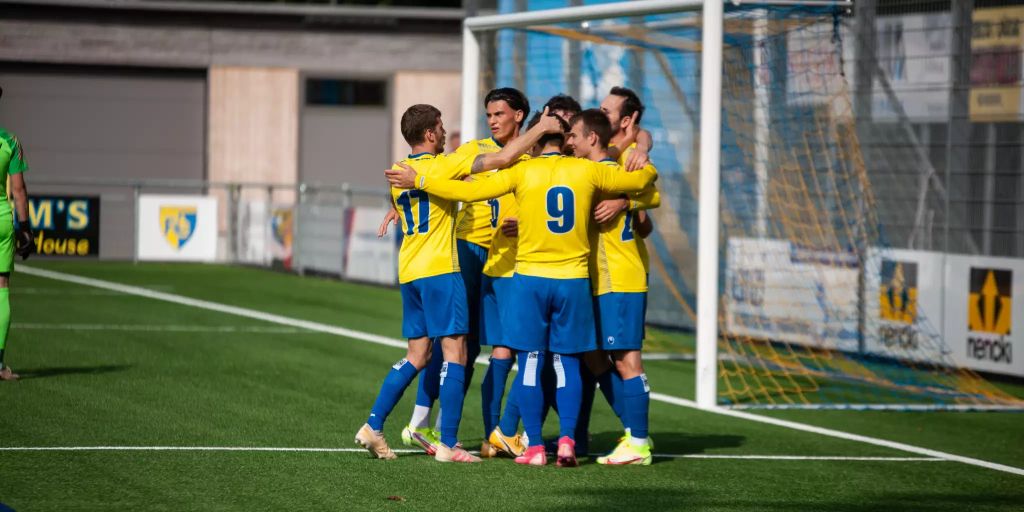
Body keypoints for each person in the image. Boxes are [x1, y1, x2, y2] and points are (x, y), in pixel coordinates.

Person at [386, 108, 657, 467]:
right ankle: (567, 442)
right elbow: (645, 187)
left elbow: (470, 189)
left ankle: (532, 447)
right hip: (575, 280)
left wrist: (419, 182)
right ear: (564, 143)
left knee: (528, 362)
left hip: (529, 277)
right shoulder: (589, 171)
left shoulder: (523, 170)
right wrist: (646, 161)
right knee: (568, 363)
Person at [355, 104, 478, 463]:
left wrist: (396, 209)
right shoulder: (443, 165)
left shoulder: (396, 172)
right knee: (457, 353)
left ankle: (373, 425)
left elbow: (411, 201)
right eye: (440, 127)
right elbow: (496, 159)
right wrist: (539, 130)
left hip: (410, 270)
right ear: (429, 133)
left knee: (418, 355)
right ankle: (450, 444)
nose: (443, 133)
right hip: (441, 269)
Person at [0, 85, 35, 382]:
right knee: (1, 289)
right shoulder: (10, 141)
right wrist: (26, 229)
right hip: (1, 219)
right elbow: (19, 190)